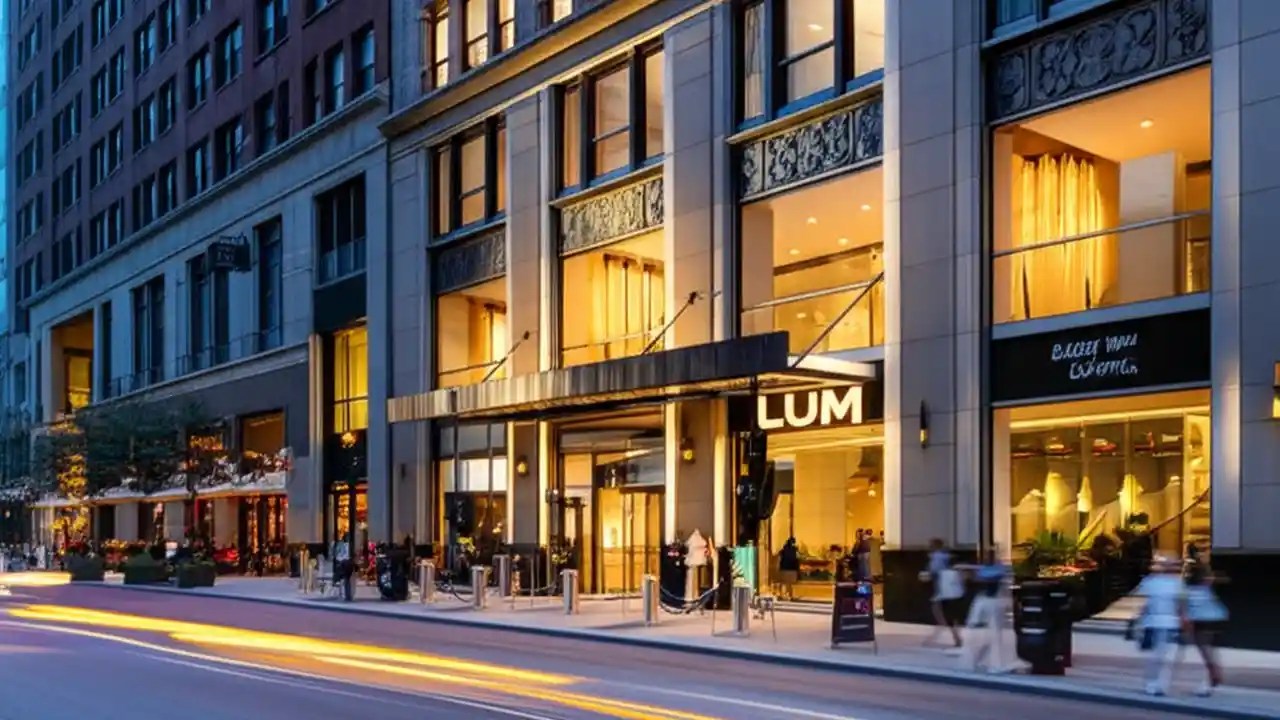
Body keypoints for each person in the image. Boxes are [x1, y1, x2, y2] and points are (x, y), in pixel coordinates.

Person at [1134, 554, 1188, 696]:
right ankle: (1158, 684)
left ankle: (1155, 683)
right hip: (1166, 622)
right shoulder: (1177, 584)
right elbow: (1182, 605)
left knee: (1159, 655)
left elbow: (1143, 603)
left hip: (1158, 622)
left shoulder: (1152, 582)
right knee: (1164, 656)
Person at [1183, 544, 1227, 696]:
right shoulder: (1206, 584)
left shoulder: (1191, 586)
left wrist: (1186, 621)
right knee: (1208, 647)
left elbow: (1187, 604)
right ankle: (1213, 674)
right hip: (1214, 616)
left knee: (1204, 648)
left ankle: (1213, 674)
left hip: (1201, 618)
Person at [963, 546, 1009, 673]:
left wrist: (972, 575)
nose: (987, 558)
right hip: (987, 602)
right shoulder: (991, 570)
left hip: (991, 602)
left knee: (991, 636)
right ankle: (981, 661)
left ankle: (987, 662)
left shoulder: (993, 570)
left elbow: (989, 578)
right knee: (987, 636)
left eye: (989, 556)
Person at [924, 538, 963, 648]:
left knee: (941, 612)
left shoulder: (936, 558)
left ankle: (948, 632)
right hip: (948, 588)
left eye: (931, 544)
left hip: (941, 589)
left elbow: (934, 571)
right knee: (946, 612)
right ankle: (953, 634)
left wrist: (927, 574)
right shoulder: (946, 556)